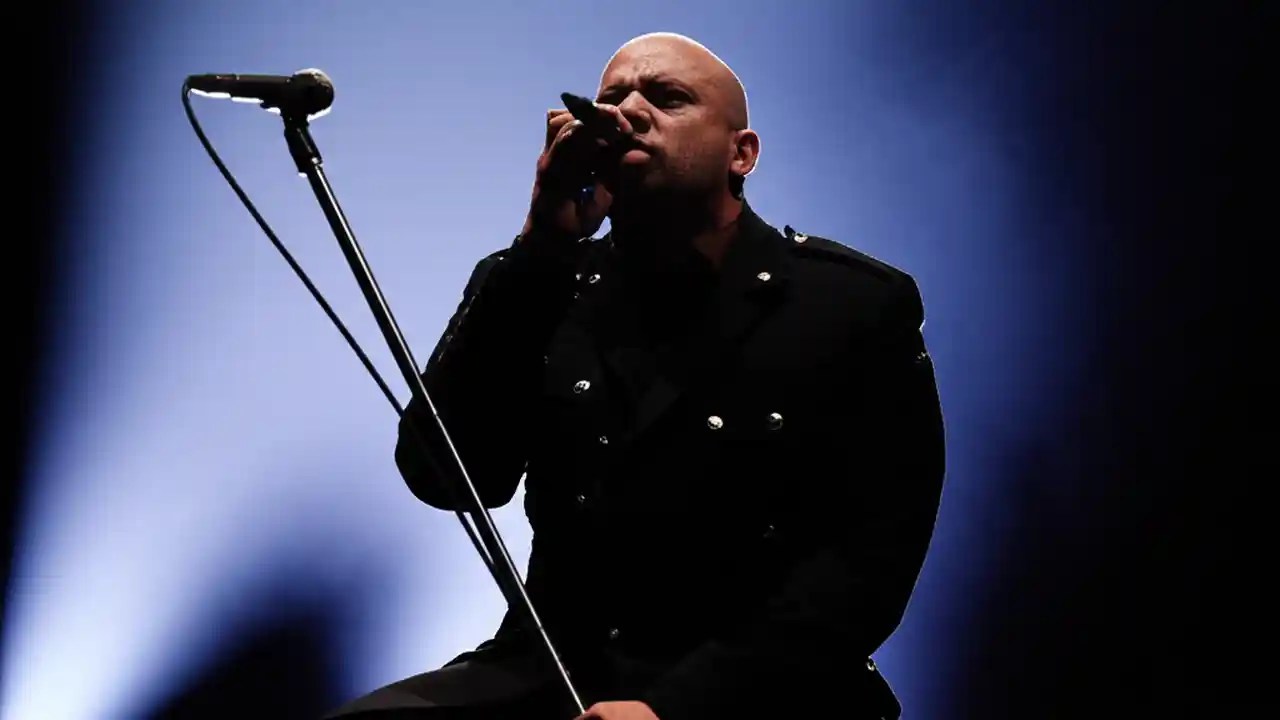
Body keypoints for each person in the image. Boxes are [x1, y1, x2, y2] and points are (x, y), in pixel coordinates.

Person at [324, 31, 945, 720]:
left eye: (667, 98)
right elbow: (446, 478)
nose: (627, 113)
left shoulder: (849, 304)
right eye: (612, 99)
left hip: (760, 689)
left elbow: (867, 563)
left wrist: (674, 709)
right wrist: (542, 242)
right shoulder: (541, 280)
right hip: (555, 670)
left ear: (742, 153)